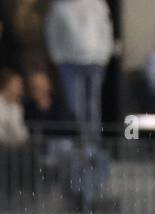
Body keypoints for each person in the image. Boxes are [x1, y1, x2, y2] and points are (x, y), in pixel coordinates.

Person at [44, 0, 114, 142]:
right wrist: (57, 57)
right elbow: (51, 32)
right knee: (73, 104)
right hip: (69, 62)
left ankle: (92, 143)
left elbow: (106, 30)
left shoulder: (98, 5)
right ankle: (79, 139)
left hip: (94, 61)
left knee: (92, 105)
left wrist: (104, 55)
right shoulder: (59, 7)